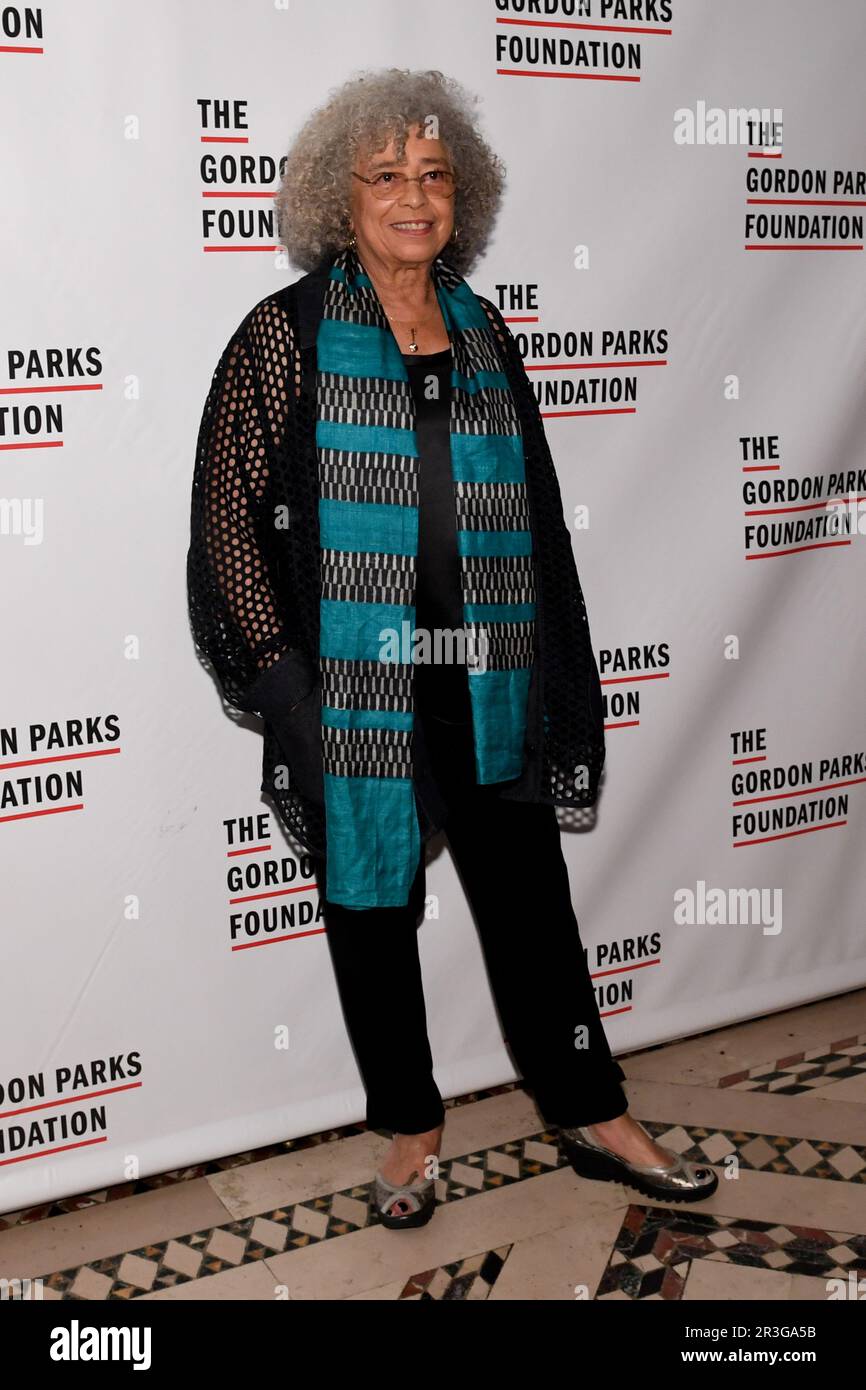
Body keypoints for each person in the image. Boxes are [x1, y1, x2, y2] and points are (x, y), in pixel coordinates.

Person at [186, 68, 717, 1229]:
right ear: (343, 195)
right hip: (354, 679)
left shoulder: (481, 331)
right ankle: (407, 1130)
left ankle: (590, 1107)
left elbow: (529, 503)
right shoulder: (284, 337)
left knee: (530, 901)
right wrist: (285, 686)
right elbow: (227, 518)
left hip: (486, 673)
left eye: (433, 176)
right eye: (385, 176)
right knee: (372, 912)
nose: (412, 197)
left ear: (459, 196)